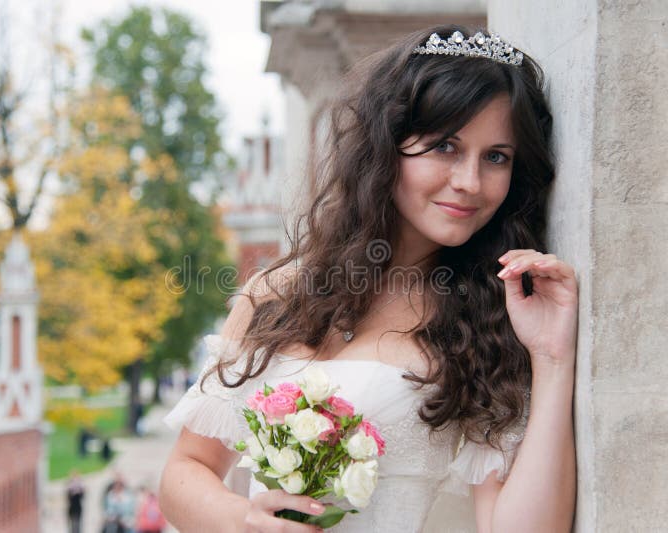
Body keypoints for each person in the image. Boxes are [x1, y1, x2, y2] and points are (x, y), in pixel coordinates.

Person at [160, 24, 577, 533]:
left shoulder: (489, 321)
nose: (470, 182)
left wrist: (553, 359)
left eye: (496, 157)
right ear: (387, 146)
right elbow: (187, 470)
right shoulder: (276, 292)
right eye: (446, 146)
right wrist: (244, 517)